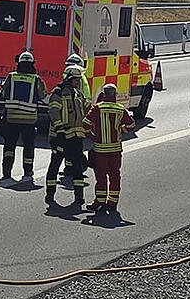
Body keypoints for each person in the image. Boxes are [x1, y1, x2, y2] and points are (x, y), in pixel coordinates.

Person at [83, 84, 134, 213]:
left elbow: (85, 124)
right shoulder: (120, 109)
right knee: (114, 175)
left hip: (100, 150)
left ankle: (99, 201)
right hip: (116, 150)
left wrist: (92, 136)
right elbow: (132, 125)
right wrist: (121, 129)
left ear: (104, 95)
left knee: (101, 177)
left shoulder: (97, 108)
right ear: (115, 95)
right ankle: (112, 202)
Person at [0, 51, 47, 181]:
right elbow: (43, 95)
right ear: (32, 64)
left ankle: (7, 172)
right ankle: (28, 172)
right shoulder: (36, 79)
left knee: (9, 146)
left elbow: (2, 94)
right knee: (28, 146)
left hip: (12, 118)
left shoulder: (11, 76)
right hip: (29, 120)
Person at [45, 65, 88, 206]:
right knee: (54, 166)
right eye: (76, 79)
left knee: (77, 168)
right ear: (69, 79)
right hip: (59, 137)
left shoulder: (78, 94)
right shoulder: (58, 93)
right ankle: (50, 195)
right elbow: (53, 111)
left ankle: (79, 197)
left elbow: (84, 111)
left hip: (75, 138)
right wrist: (60, 130)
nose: (78, 82)